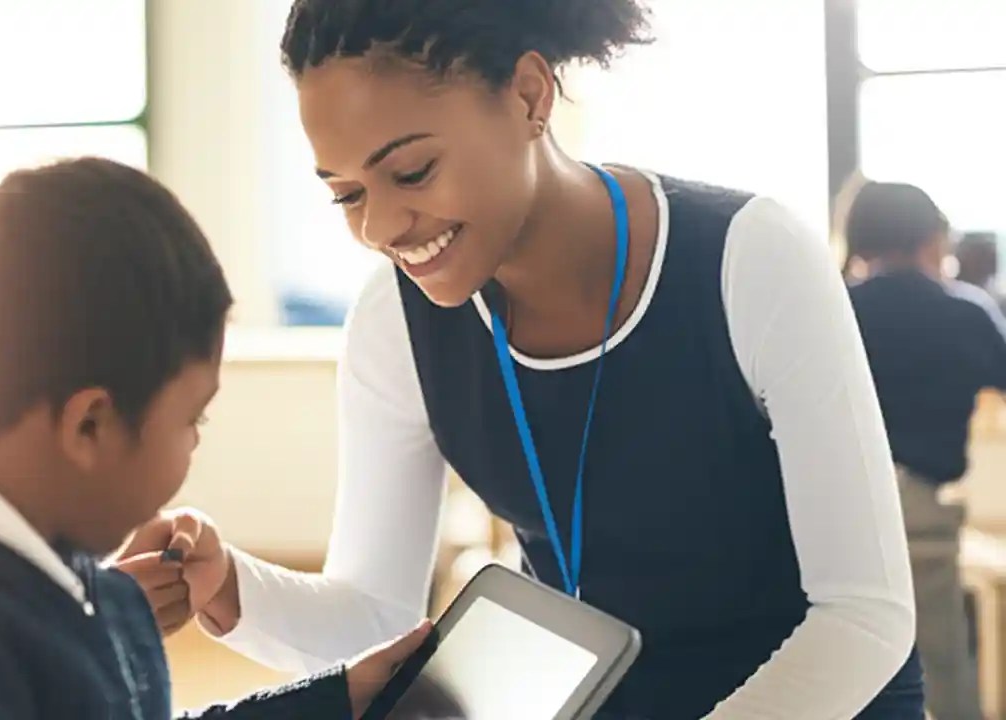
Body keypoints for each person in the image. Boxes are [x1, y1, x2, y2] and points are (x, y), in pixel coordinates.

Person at [121, 1, 925, 717]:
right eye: (347, 194)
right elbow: (378, 617)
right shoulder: (394, 324)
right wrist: (228, 588)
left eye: (411, 172)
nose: (380, 227)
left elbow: (863, 617)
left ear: (530, 96)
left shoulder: (749, 257)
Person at [0, 158, 429, 719]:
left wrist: (340, 699)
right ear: (90, 425)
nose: (193, 451)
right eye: (191, 422)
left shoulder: (4, 555)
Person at [844, 182, 1006, 720]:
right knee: (940, 668)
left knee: (849, 667)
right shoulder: (963, 313)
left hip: (833, 509)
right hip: (920, 514)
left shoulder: (835, 308)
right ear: (930, 238)